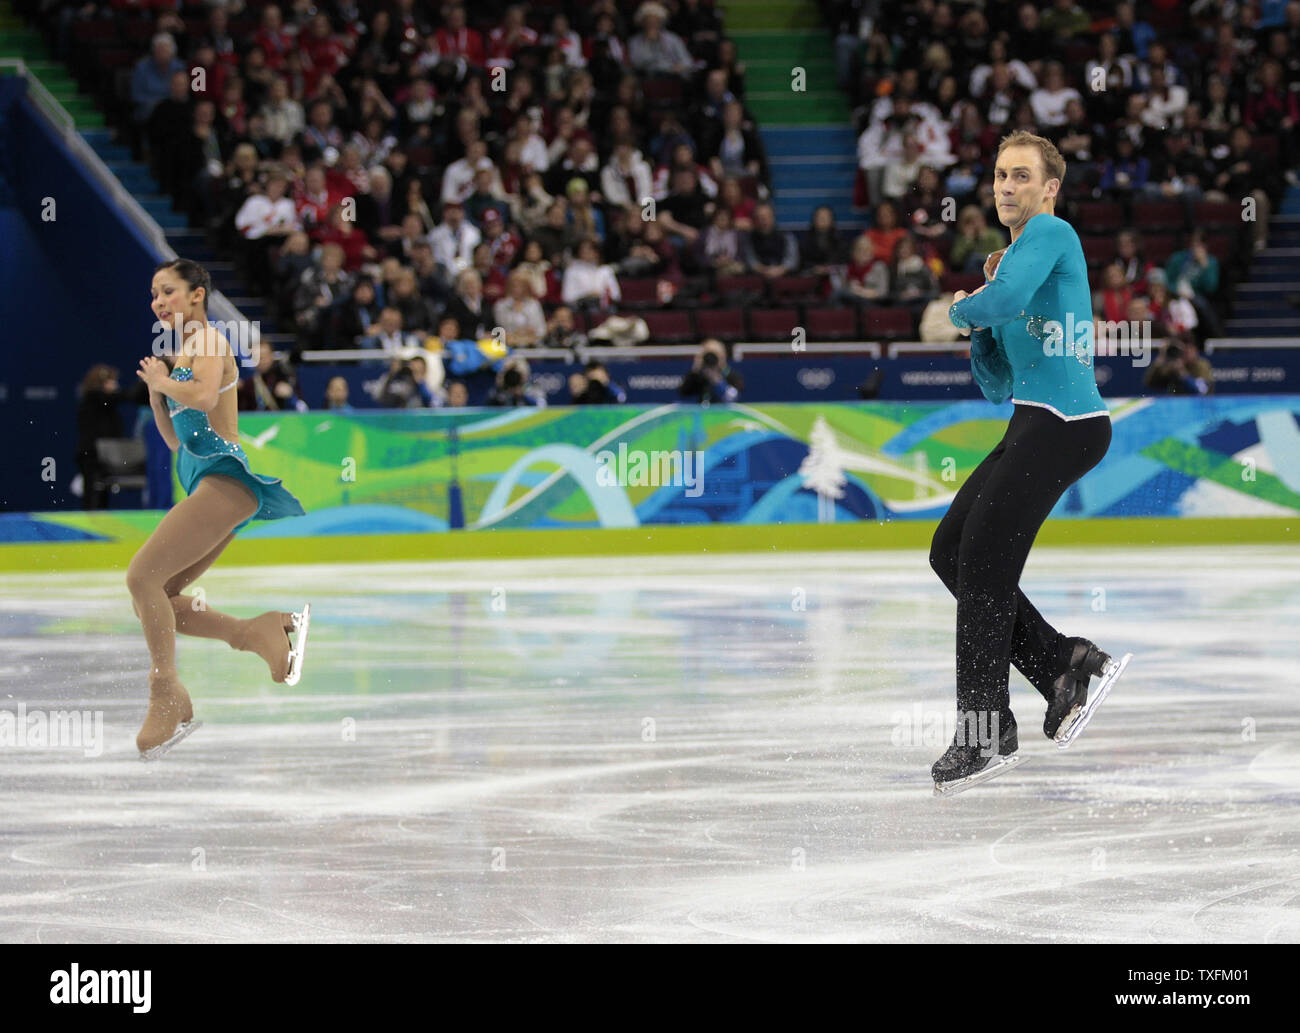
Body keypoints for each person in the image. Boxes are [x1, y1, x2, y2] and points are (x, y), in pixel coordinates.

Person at [935, 131, 1132, 794]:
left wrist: (963, 309)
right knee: (951, 549)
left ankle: (984, 732)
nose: (1006, 187)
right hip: (1030, 419)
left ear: (1049, 187)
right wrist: (982, 327)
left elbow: (1004, 303)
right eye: (999, 176)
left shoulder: (1051, 234)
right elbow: (996, 382)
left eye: (1021, 176)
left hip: (1067, 423)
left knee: (984, 563)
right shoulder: (1011, 264)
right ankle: (1059, 664)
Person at [130, 260, 308, 760]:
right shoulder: (185, 350)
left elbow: (206, 395)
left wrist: (166, 385)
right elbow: (174, 443)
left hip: (225, 480)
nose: (158, 302)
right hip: (211, 484)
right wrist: (156, 392)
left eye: (168, 291)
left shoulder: (208, 341)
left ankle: (166, 690)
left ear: (197, 296)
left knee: (141, 579)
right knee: (162, 595)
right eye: (153, 295)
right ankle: (256, 632)